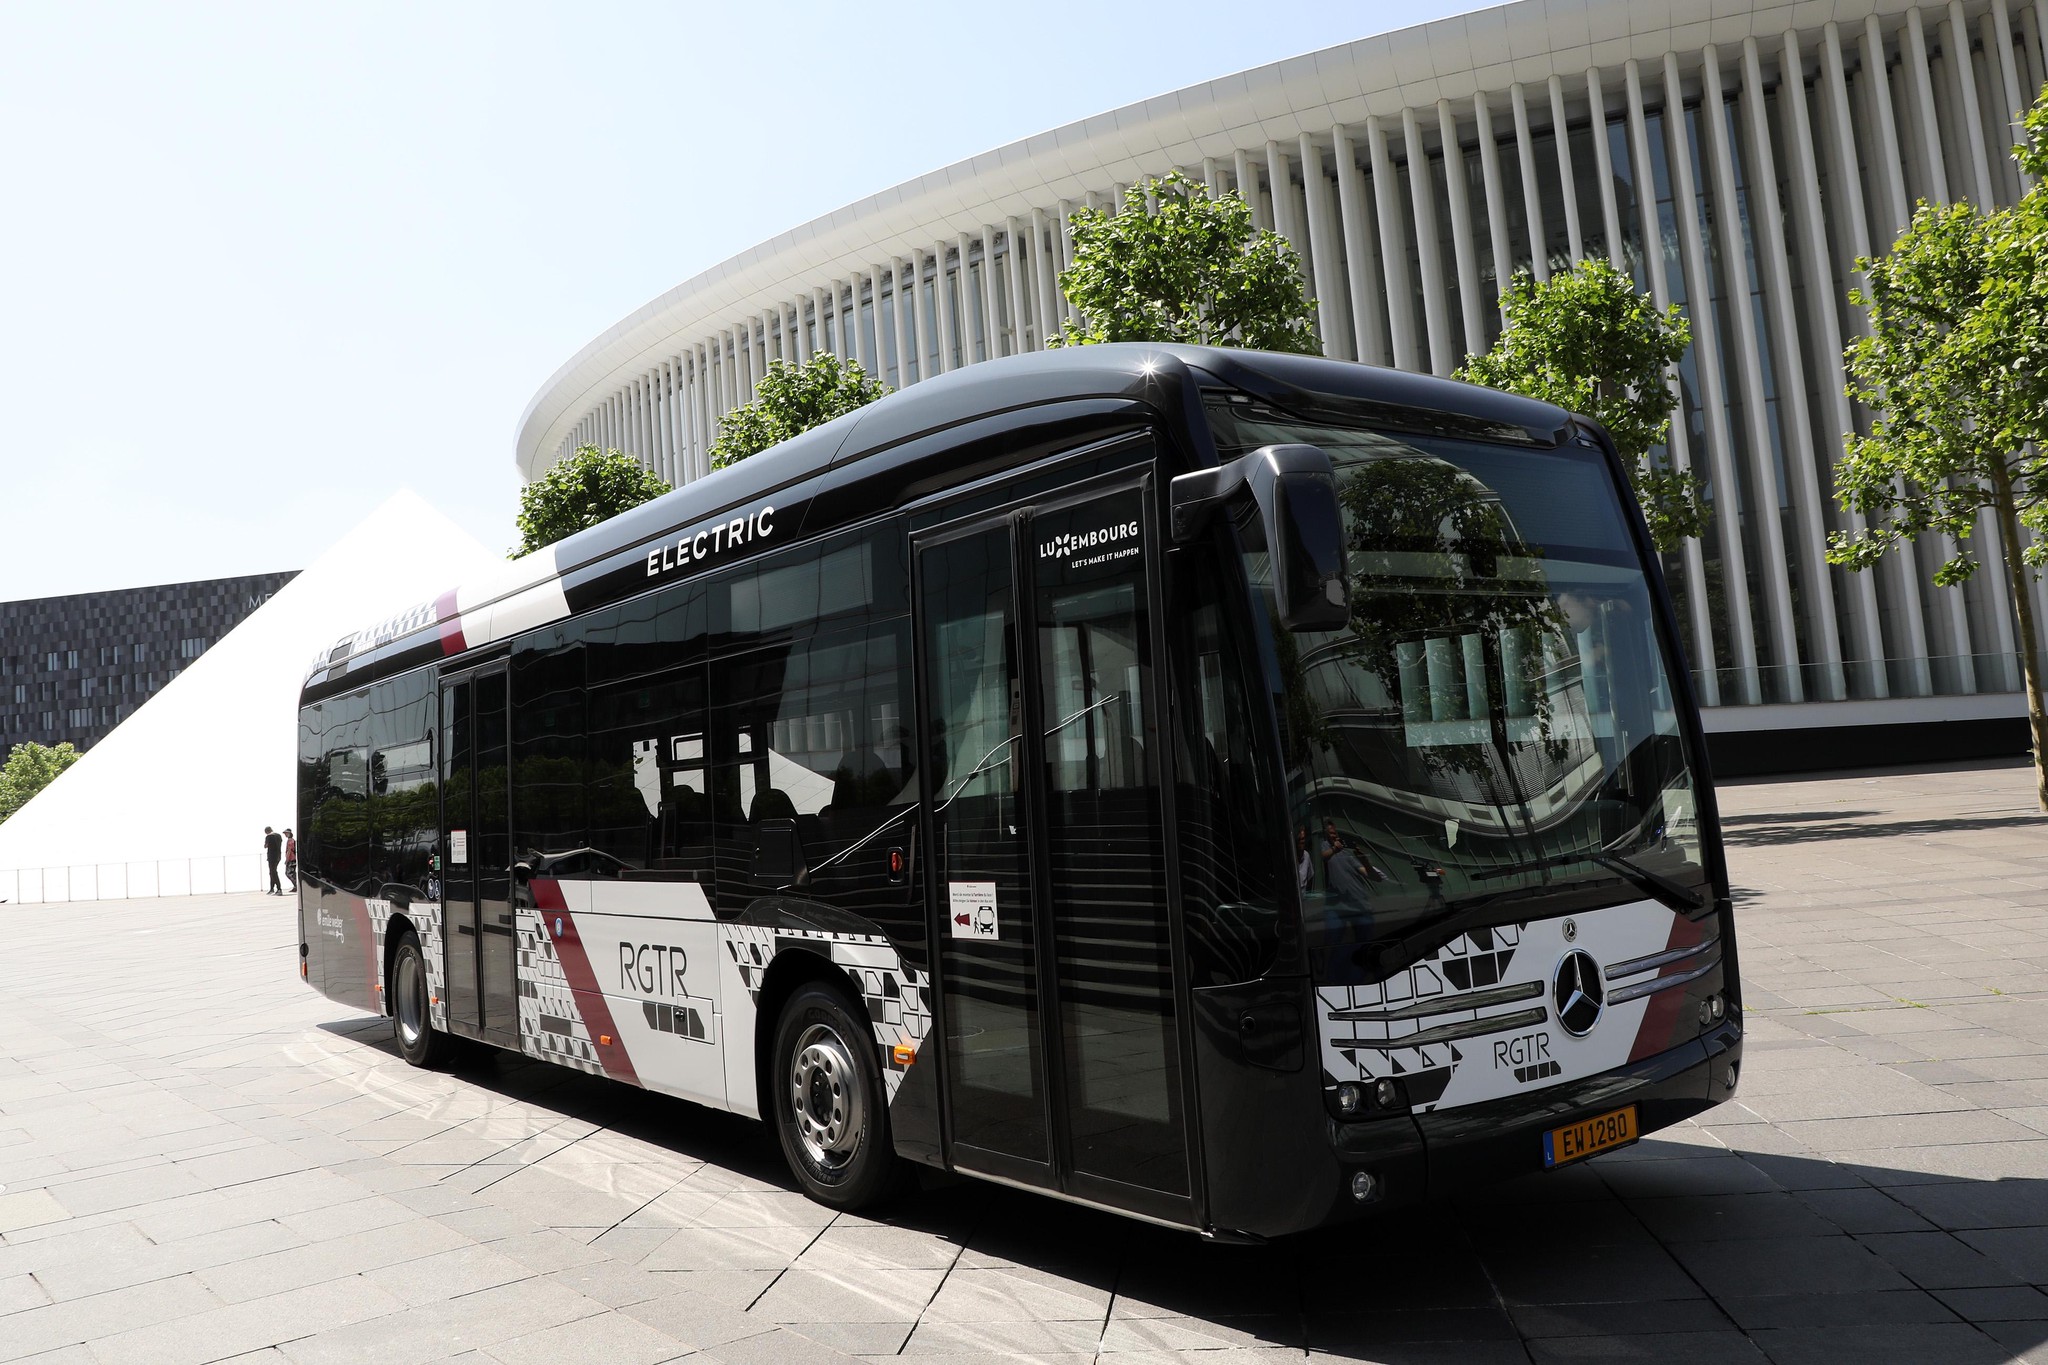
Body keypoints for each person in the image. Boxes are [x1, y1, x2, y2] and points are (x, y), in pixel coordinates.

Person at [263, 826, 283, 896]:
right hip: (278, 856)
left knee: (273, 872)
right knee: (272, 872)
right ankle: (272, 888)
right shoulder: (279, 836)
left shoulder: (269, 837)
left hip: (271, 856)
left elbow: (265, 846)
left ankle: (279, 888)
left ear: (266, 831)